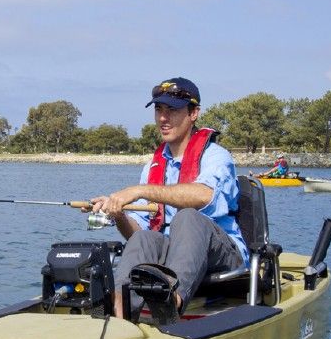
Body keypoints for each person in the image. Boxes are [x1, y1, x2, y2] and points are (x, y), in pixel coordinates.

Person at [87, 78, 247, 324]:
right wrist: (119, 215)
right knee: (143, 238)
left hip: (221, 255)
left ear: (193, 113)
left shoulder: (216, 156)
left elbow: (204, 196)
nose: (163, 118)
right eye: (159, 109)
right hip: (173, 254)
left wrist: (140, 191)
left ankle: (171, 303)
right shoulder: (153, 166)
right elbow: (136, 232)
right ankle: (118, 311)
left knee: (188, 217)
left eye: (172, 109)